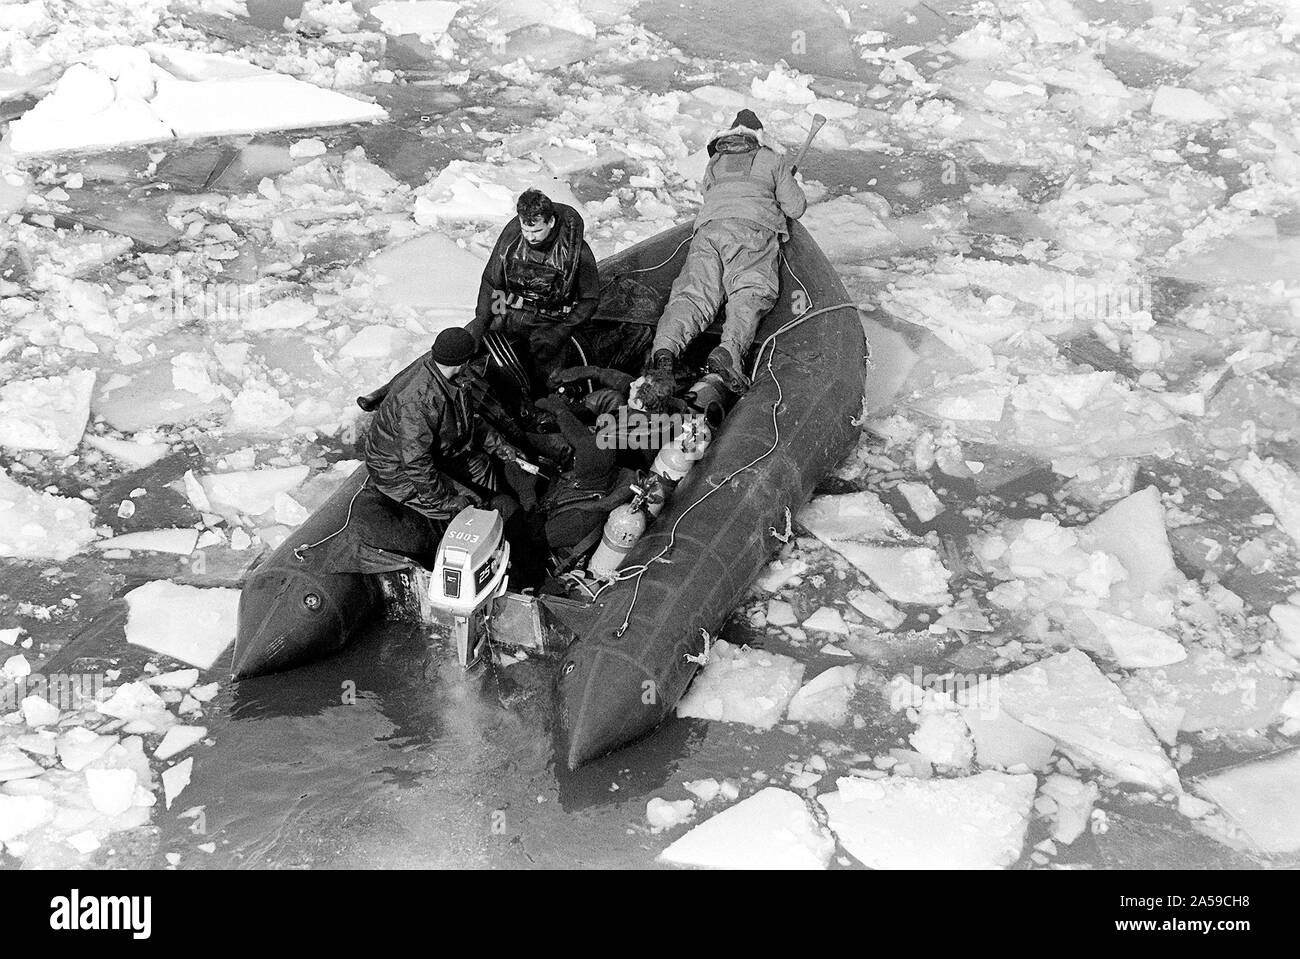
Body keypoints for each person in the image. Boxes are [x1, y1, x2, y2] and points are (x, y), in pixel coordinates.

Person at [643, 109, 806, 402]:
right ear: (758, 137)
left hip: (709, 231)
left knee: (694, 294)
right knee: (750, 291)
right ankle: (729, 351)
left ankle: (665, 349)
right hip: (751, 232)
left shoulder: (715, 162)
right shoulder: (771, 160)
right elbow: (795, 208)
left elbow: (711, 195)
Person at [355, 327, 532, 573]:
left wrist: (501, 446)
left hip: (436, 452)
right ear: (463, 361)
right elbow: (416, 463)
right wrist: (447, 500)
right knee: (469, 504)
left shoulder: (451, 377)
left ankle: (502, 519)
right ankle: (471, 558)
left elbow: (468, 420)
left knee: (482, 466)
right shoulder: (420, 401)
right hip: (396, 470)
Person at [466, 188, 600, 393]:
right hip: (512, 311)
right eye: (525, 230)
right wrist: (484, 319)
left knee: (549, 377)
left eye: (537, 231)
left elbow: (589, 299)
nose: (530, 237)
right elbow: (493, 283)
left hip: (552, 321)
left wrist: (561, 331)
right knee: (479, 347)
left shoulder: (577, 251)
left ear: (551, 222)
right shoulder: (511, 242)